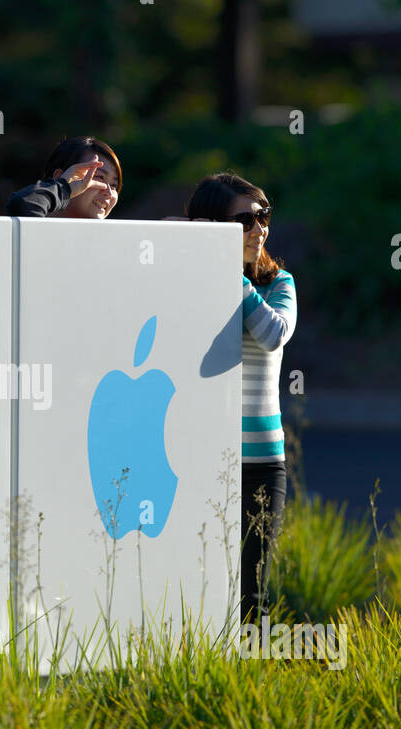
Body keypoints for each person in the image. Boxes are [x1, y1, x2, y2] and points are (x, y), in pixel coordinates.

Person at [177, 172, 297, 621]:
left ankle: (250, 682)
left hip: (263, 462)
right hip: (201, 454)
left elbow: (272, 334)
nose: (259, 228)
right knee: (199, 576)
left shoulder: (277, 282)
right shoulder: (190, 283)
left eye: (263, 216)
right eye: (244, 220)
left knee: (253, 586)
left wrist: (228, 272)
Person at [5, 135, 121, 218]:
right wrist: (64, 187)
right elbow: (23, 203)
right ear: (60, 178)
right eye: (99, 177)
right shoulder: (38, 231)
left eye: (114, 185)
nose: (109, 193)